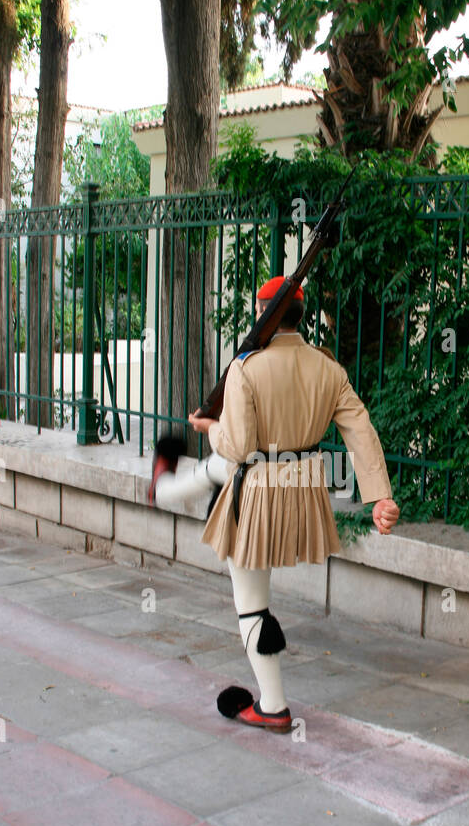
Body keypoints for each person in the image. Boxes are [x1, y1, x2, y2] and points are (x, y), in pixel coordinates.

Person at [151, 275, 399, 732]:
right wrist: (380, 496)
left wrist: (210, 429)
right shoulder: (329, 368)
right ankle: (164, 486)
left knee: (251, 604)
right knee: (219, 474)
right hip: (302, 491)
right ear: (299, 316)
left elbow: (239, 445)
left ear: (263, 315)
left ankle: (273, 706)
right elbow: (360, 429)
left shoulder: (248, 368)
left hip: (260, 492)